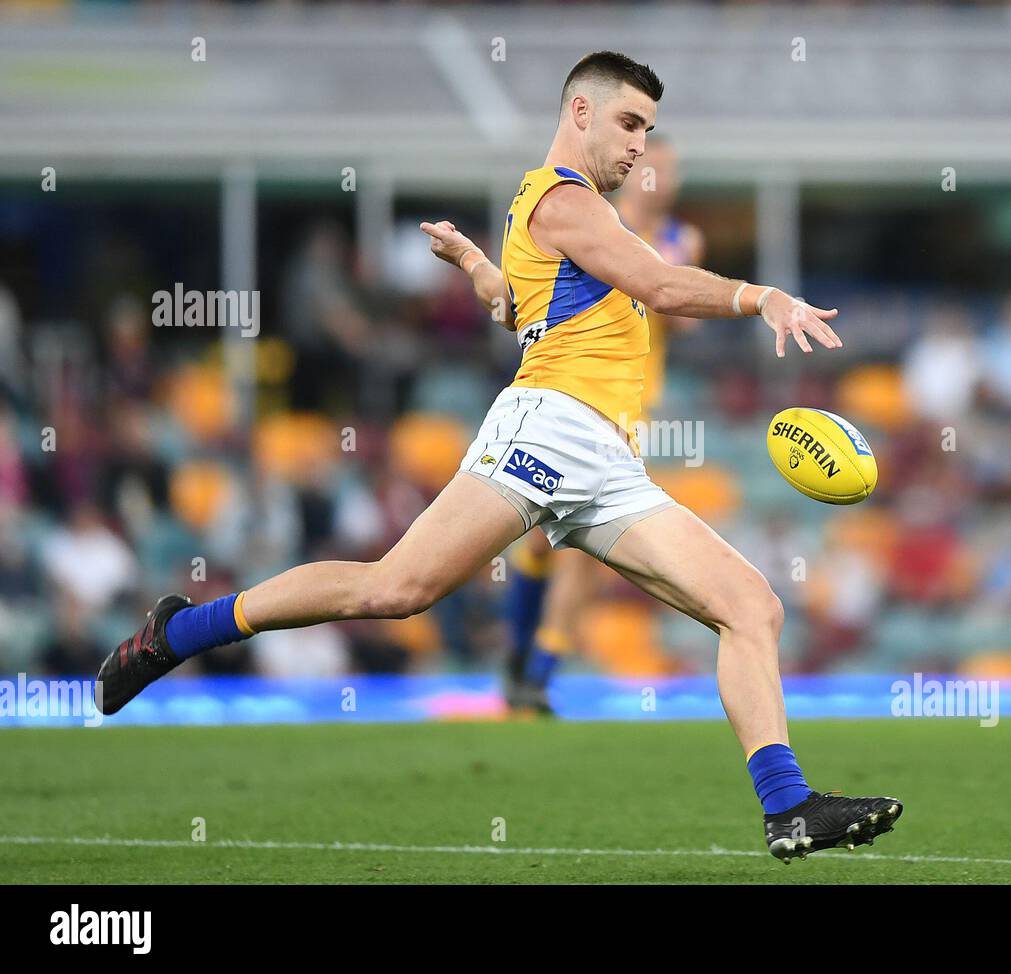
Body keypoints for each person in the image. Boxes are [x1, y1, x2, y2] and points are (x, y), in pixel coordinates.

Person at [96, 50, 901, 862]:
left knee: (752, 606)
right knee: (395, 589)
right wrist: (762, 296)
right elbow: (656, 286)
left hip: (609, 461)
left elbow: (509, 302)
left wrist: (476, 264)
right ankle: (180, 633)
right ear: (579, 114)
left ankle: (788, 807)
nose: (638, 147)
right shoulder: (564, 199)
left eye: (648, 130)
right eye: (628, 124)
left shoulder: (553, 214)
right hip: (550, 427)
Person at [502, 138, 705, 715]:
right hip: (573, 397)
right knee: (544, 543)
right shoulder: (599, 225)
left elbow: (679, 313)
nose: (664, 180)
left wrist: (669, 286)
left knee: (582, 549)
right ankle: (522, 654)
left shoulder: (679, 242)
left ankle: (537, 669)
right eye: (656, 168)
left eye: (673, 170)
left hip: (629, 410)